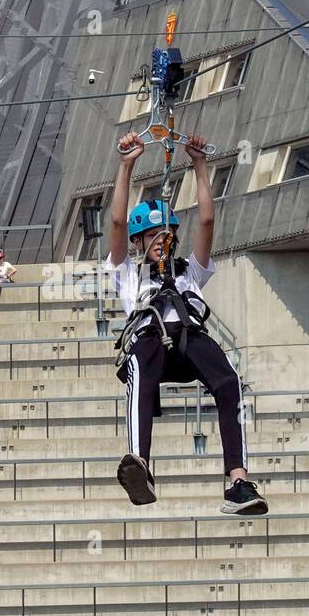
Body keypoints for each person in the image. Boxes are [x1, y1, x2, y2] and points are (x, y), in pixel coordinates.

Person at [106, 131, 262, 515]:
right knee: (138, 370)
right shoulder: (128, 273)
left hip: (190, 338)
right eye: (152, 235)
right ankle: (140, 463)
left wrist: (200, 165)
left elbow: (207, 220)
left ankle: (238, 481)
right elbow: (116, 221)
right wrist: (126, 166)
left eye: (167, 233)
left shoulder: (189, 273)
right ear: (140, 240)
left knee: (229, 382)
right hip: (150, 338)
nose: (161, 239)